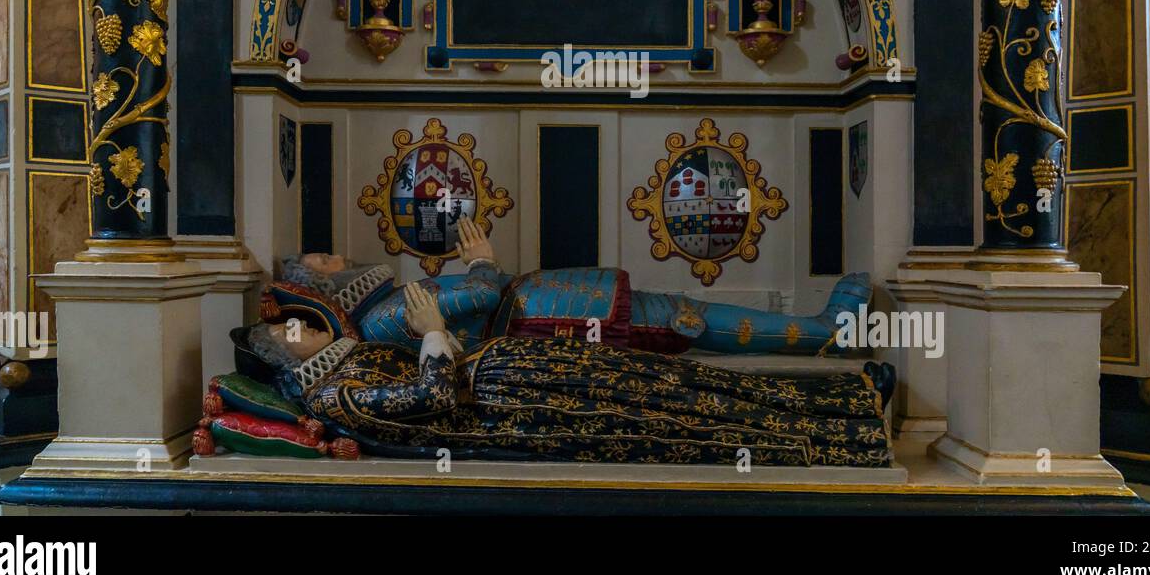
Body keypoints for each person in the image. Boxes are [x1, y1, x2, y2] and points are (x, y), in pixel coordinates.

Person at [245, 281, 893, 467]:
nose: (302, 327)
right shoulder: (336, 394)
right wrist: (434, 330)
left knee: (699, 385)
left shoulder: (347, 362)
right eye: (288, 333)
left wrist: (444, 328)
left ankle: (850, 394)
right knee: (697, 418)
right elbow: (432, 399)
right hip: (527, 407)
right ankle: (850, 433)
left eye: (297, 320)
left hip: (531, 375)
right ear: (285, 360)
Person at [278, 219, 871, 357]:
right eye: (328, 260)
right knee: (682, 320)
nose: (342, 257)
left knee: (681, 315)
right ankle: (825, 334)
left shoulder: (382, 307)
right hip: (548, 319)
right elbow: (480, 299)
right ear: (325, 283)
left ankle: (820, 331)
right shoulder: (383, 317)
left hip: (551, 305)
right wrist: (484, 261)